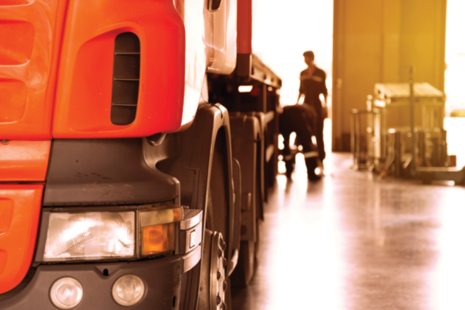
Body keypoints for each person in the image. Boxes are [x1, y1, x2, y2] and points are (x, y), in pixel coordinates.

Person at [297, 50, 327, 163]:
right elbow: (300, 90)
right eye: (304, 58)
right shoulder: (303, 74)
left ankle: (321, 157)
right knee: (305, 131)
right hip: (306, 105)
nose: (305, 60)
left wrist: (324, 107)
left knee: (319, 131)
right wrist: (297, 104)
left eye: (306, 58)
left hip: (317, 106)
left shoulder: (321, 73)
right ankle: (309, 157)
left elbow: (324, 91)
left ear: (311, 58)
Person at [279, 104, 321, 181]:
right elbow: (310, 133)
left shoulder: (306, 109)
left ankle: (288, 171)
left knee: (286, 143)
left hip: (285, 116)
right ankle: (311, 173)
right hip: (299, 117)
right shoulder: (312, 114)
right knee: (307, 145)